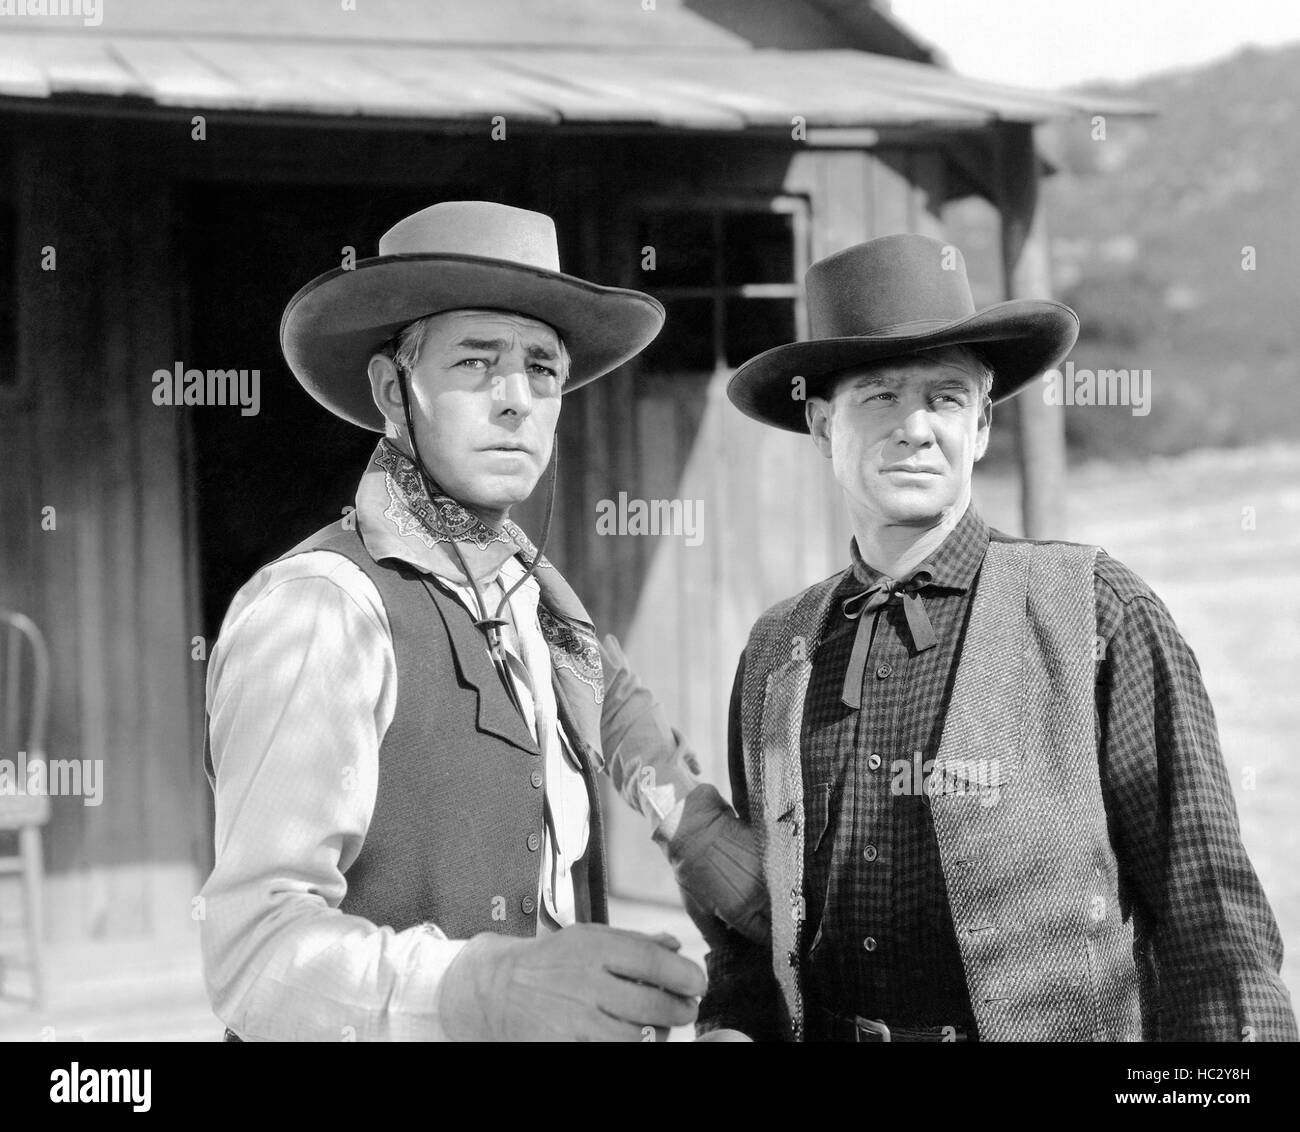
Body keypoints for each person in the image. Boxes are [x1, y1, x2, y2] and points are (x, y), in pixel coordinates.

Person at [697, 233, 1297, 1042]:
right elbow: (756, 929)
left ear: (981, 425)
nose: (915, 428)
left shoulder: (1096, 612)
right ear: (821, 424)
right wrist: (727, 1025)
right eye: (879, 396)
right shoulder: (778, 651)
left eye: (945, 398)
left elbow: (1210, 918)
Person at [200, 201, 766, 1042]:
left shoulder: (535, 605)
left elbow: (617, 711)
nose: (516, 400)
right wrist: (486, 988)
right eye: (476, 361)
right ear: (393, 391)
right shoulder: (324, 609)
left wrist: (699, 833)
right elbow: (254, 955)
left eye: (542, 368)